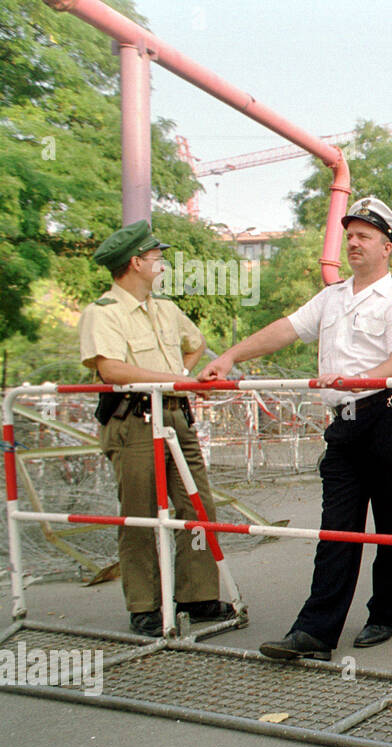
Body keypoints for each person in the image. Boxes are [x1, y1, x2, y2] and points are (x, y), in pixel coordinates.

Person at [199, 197, 392, 661]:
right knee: (336, 529)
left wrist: (355, 380)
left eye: (364, 236)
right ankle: (315, 632)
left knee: (391, 525)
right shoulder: (333, 296)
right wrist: (230, 357)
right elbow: (286, 329)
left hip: (385, 416)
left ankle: (385, 614)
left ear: (387, 247)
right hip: (343, 426)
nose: (354, 243)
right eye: (351, 235)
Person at [78, 220, 236, 637]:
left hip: (176, 416)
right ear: (135, 263)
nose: (161, 265)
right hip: (134, 420)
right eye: (155, 258)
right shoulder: (103, 313)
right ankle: (145, 605)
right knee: (142, 515)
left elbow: (195, 341)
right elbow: (110, 368)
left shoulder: (165, 309)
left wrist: (182, 374)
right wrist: (174, 380)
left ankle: (197, 594)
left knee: (196, 508)